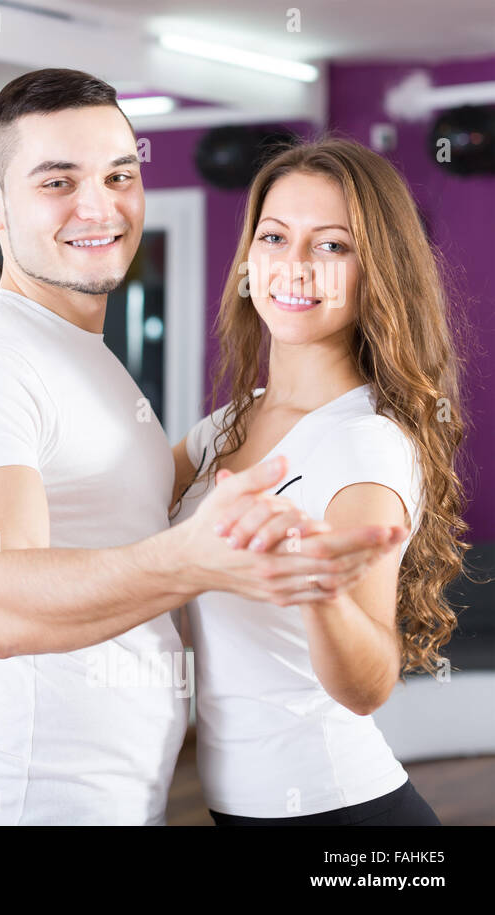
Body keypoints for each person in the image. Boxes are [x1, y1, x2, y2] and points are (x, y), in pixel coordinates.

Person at [0, 69, 406, 826]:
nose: (98, 205)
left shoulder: (90, 360)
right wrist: (196, 557)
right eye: (58, 180)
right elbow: (0, 605)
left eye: (119, 174)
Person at [170, 138, 466, 826]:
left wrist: (320, 588)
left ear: (377, 272)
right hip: (240, 805)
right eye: (274, 236)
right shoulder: (228, 424)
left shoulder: (362, 444)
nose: (294, 265)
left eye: (332, 246)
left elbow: (369, 685)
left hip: (339, 811)